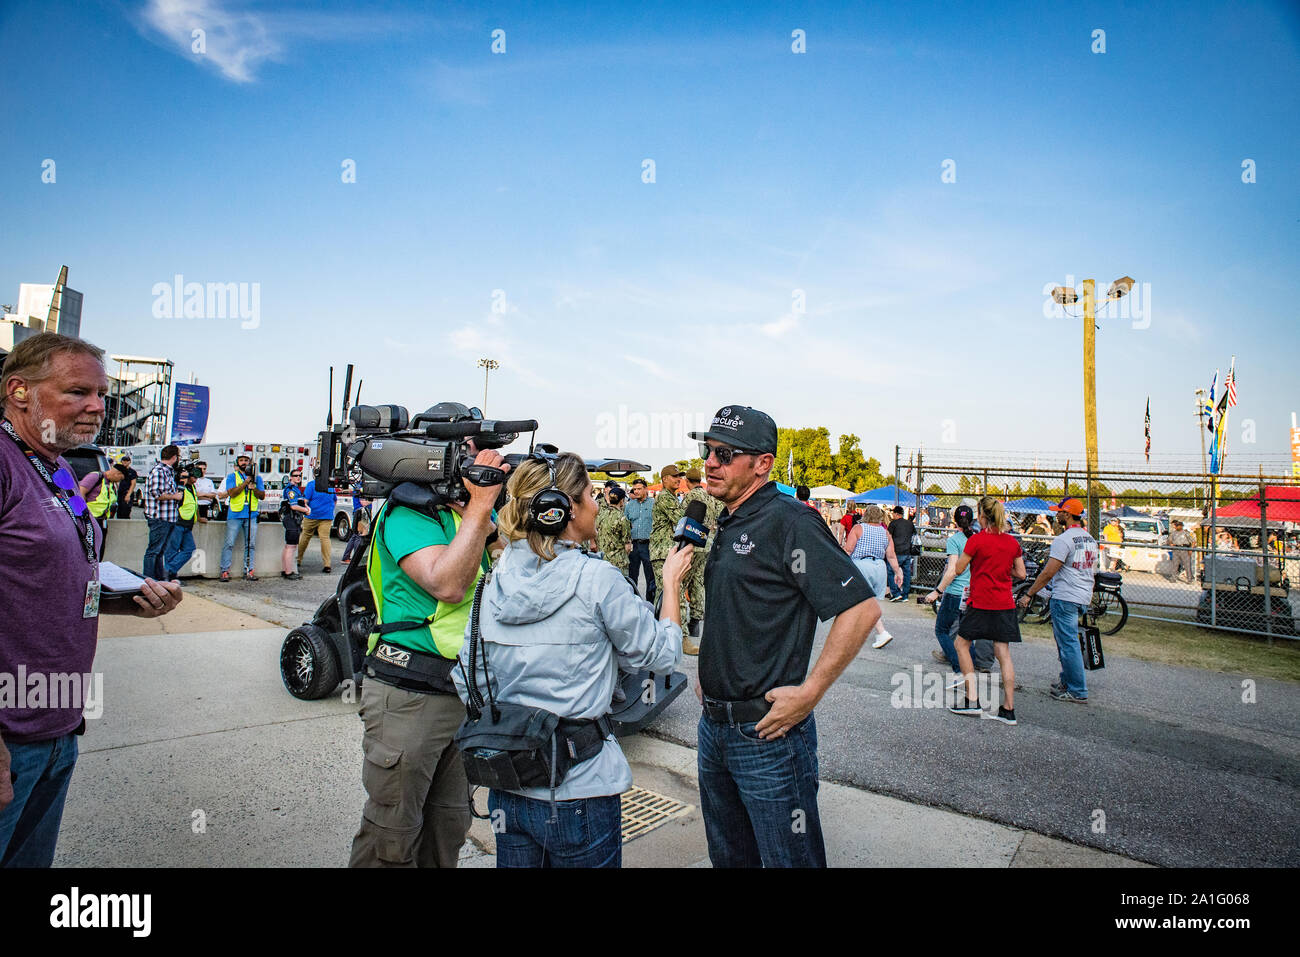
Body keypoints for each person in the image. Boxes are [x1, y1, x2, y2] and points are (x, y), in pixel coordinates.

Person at [0, 332, 182, 868]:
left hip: (56, 731)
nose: (98, 406)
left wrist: (131, 601)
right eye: (79, 391)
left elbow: (56, 577)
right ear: (19, 391)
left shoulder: (55, 467)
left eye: (101, 394)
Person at [453, 453, 688, 867]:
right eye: (589, 495)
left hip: (510, 786)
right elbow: (662, 654)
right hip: (580, 791)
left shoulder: (491, 580)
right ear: (566, 509)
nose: (597, 503)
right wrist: (670, 585)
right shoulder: (598, 580)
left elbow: (467, 679)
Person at [688, 405, 879, 867]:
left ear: (763, 463)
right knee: (731, 858)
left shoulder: (790, 520)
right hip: (715, 729)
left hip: (767, 736)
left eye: (725, 453)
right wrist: (709, 671)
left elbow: (862, 609)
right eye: (707, 450)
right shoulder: (730, 517)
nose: (710, 462)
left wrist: (810, 693)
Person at [349, 441, 510, 868]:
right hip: (409, 695)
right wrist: (478, 508)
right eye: (472, 451)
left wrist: (483, 518)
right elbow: (448, 584)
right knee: (393, 835)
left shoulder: (458, 513)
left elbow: (507, 563)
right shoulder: (409, 513)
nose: (479, 461)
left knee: (448, 827)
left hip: (460, 693)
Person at [946, 496, 1025, 724]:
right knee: (1003, 653)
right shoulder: (1012, 543)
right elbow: (1021, 574)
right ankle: (1008, 709)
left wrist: (979, 565)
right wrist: (1001, 569)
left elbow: (959, 568)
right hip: (1004, 604)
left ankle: (972, 699)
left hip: (981, 602)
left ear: (981, 516)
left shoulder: (977, 540)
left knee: (961, 644)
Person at [1018, 498, 1096, 703]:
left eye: (1060, 512)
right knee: (1067, 642)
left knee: (1067, 643)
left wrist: (1029, 593)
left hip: (1066, 596)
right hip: (1081, 595)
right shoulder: (1088, 538)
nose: (1056, 515)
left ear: (1068, 514)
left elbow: (1048, 572)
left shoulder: (1064, 540)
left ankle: (1077, 689)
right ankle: (1067, 681)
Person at [921, 504, 995, 681]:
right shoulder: (978, 538)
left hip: (955, 591)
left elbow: (953, 570)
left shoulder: (955, 540)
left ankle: (959, 667)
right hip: (972, 590)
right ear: (973, 520)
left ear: (955, 520)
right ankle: (968, 662)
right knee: (964, 633)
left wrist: (937, 591)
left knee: (942, 630)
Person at [843, 504, 902, 649]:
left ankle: (881, 632)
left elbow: (849, 550)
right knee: (869, 601)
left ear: (866, 515)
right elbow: (891, 556)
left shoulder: (858, 529)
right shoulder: (885, 533)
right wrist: (898, 572)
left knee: (863, 602)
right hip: (880, 568)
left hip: (862, 565)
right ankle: (856, 632)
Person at [679, 468, 721, 655]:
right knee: (698, 583)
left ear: (688, 481)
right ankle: (695, 621)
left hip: (693, 544)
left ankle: (683, 632)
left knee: (680, 585)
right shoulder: (710, 497)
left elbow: (682, 518)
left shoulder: (690, 497)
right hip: (707, 544)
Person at [216, 453, 265, 582]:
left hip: (251, 514)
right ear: (238, 464)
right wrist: (245, 483)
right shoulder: (232, 477)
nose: (244, 463)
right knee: (229, 543)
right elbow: (232, 493)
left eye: (246, 460)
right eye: (241, 460)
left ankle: (249, 570)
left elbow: (262, 496)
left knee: (251, 544)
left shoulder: (258, 478)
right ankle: (224, 570)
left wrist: (253, 488)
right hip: (236, 513)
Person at [143, 444, 184, 582]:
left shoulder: (168, 472)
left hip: (168, 517)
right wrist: (175, 496)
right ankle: (149, 579)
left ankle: (159, 579)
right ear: (174, 457)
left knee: (160, 552)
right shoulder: (159, 471)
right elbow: (157, 493)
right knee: (154, 551)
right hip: (160, 517)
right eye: (178, 457)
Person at [650, 464, 685, 607]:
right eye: (675, 476)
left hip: (666, 550)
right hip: (662, 551)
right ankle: (671, 627)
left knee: (666, 593)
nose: (679, 479)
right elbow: (681, 519)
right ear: (664, 479)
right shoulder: (665, 497)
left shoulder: (672, 497)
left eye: (679, 476)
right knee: (669, 595)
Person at [163, 466, 201, 579]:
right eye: (192, 476)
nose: (195, 478)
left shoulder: (191, 488)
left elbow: (194, 504)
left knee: (189, 550)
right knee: (172, 551)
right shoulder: (179, 488)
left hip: (187, 524)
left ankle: (169, 570)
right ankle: (169, 573)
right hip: (178, 523)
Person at [297, 475, 336, 573]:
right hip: (327, 515)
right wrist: (329, 509)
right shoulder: (330, 485)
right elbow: (334, 499)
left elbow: (305, 500)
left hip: (312, 515)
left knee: (305, 537)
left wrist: (305, 510)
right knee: (325, 539)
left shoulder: (311, 485)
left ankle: (298, 560)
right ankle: (327, 565)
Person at [624, 478, 654, 602]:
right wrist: (627, 542)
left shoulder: (654, 504)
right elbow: (625, 525)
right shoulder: (629, 505)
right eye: (634, 489)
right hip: (634, 545)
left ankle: (650, 605)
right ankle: (633, 603)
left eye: (639, 489)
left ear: (646, 489)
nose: (636, 491)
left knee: (650, 577)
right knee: (632, 577)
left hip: (648, 545)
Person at [594, 485, 632, 578]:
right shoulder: (622, 518)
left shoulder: (600, 516)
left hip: (602, 560)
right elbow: (627, 546)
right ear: (622, 500)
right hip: (619, 563)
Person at [86, 460, 123, 548]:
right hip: (90, 519)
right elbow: (80, 493)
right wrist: (81, 513)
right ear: (117, 474)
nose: (119, 481)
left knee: (100, 548)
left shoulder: (109, 483)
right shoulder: (95, 476)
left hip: (102, 520)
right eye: (120, 479)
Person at [280, 468, 307, 579]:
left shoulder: (296, 489)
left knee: (289, 546)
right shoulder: (291, 490)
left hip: (293, 519)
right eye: (295, 475)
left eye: (299, 475)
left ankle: (286, 569)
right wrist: (306, 510)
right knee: (291, 547)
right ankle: (288, 572)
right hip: (291, 518)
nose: (298, 477)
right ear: (290, 477)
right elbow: (293, 506)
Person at [886, 505, 916, 601]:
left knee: (891, 571)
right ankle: (905, 595)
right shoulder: (909, 523)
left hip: (896, 551)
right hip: (907, 551)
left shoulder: (893, 524)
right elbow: (914, 534)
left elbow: (888, 537)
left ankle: (895, 593)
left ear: (896, 514)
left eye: (893, 513)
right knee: (907, 573)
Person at [341, 496, 373, 565]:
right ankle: (356, 559)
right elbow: (363, 502)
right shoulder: (361, 489)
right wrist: (374, 501)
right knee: (359, 536)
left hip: (359, 513)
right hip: (361, 514)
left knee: (354, 536)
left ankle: (346, 557)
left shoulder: (358, 488)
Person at [1167, 519, 1195, 583]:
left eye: (1180, 526)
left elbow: (1193, 541)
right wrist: (1170, 543)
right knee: (1175, 564)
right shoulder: (1173, 533)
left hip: (1184, 549)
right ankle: (1173, 578)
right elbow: (1169, 540)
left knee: (1187, 565)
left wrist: (1191, 549)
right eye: (1178, 526)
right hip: (1176, 549)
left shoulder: (1186, 533)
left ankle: (1189, 579)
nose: (1179, 527)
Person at [112, 454, 137, 520]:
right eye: (124, 460)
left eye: (127, 461)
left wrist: (128, 494)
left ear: (129, 462)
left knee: (125, 512)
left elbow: (133, 484)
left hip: (127, 493)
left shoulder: (132, 472)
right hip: (120, 493)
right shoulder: (119, 471)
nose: (125, 462)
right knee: (119, 512)